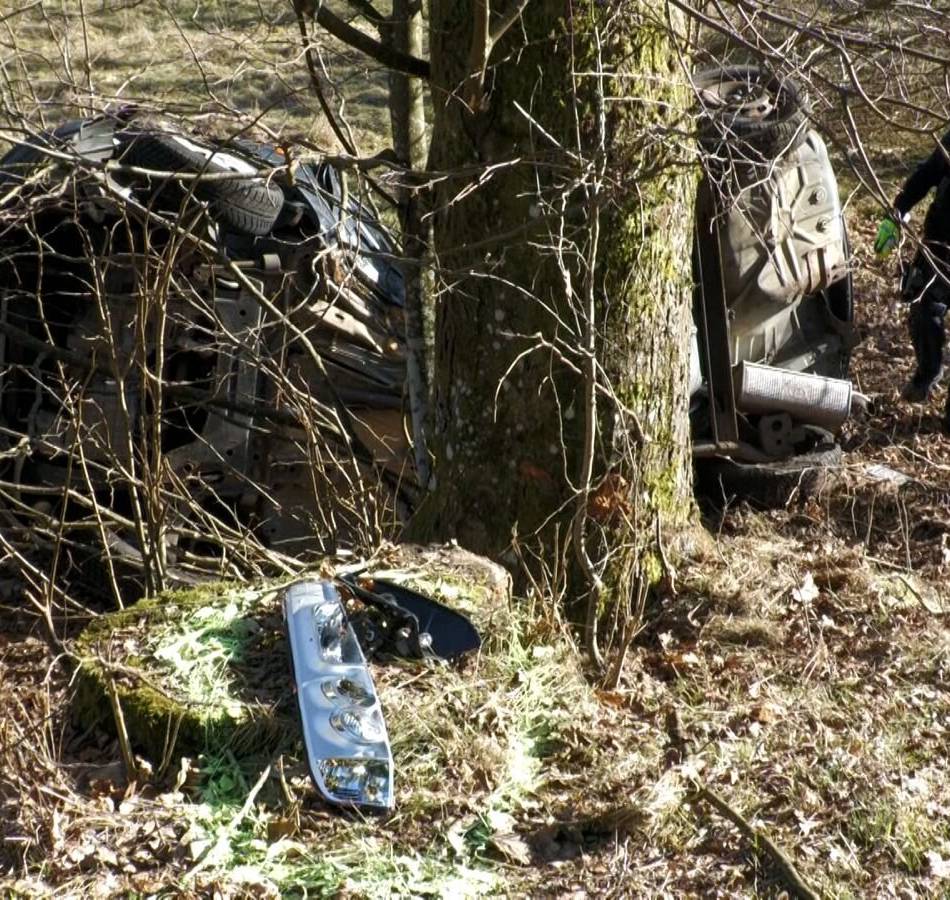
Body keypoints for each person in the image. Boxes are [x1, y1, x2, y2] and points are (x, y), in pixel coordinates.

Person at [875, 129, 950, 426]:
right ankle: (928, 372)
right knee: (923, 310)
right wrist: (898, 211)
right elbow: (927, 174)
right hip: (940, 244)